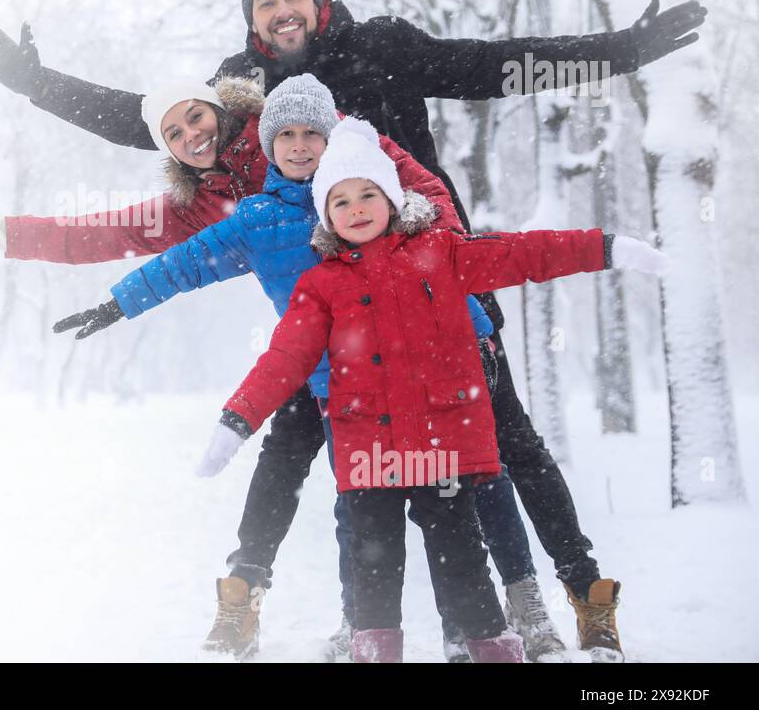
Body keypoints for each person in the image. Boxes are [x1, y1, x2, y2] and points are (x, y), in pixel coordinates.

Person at [0, 0, 707, 659]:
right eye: (265, 3)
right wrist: (39, 85)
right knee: (315, 461)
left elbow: (494, 65)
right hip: (332, 324)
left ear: (319, 0)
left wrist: (622, 50)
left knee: (507, 445)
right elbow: (152, 120)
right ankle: (335, 614)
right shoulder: (242, 88)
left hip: (435, 287)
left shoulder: (383, 47)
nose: (282, 11)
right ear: (252, 24)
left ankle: (582, 594)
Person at [50, 76, 556, 661]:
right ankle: (363, 629)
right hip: (340, 393)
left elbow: (430, 262)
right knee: (362, 515)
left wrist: (479, 330)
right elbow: (183, 264)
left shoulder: (360, 193)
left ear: (330, 137)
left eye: (310, 134)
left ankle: (475, 630)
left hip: (425, 381)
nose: (297, 146)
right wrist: (117, 302)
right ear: (266, 146)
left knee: (458, 504)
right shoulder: (258, 220)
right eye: (283, 136)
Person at [203, 116, 668, 662]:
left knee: (464, 567)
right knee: (372, 571)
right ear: (326, 215)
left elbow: (527, 254)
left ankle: (497, 652)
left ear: (393, 198)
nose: (356, 209)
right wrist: (237, 418)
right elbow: (283, 360)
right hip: (368, 459)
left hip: (442, 451)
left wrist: (607, 248)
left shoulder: (441, 254)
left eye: (368, 194)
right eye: (340, 201)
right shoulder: (321, 286)